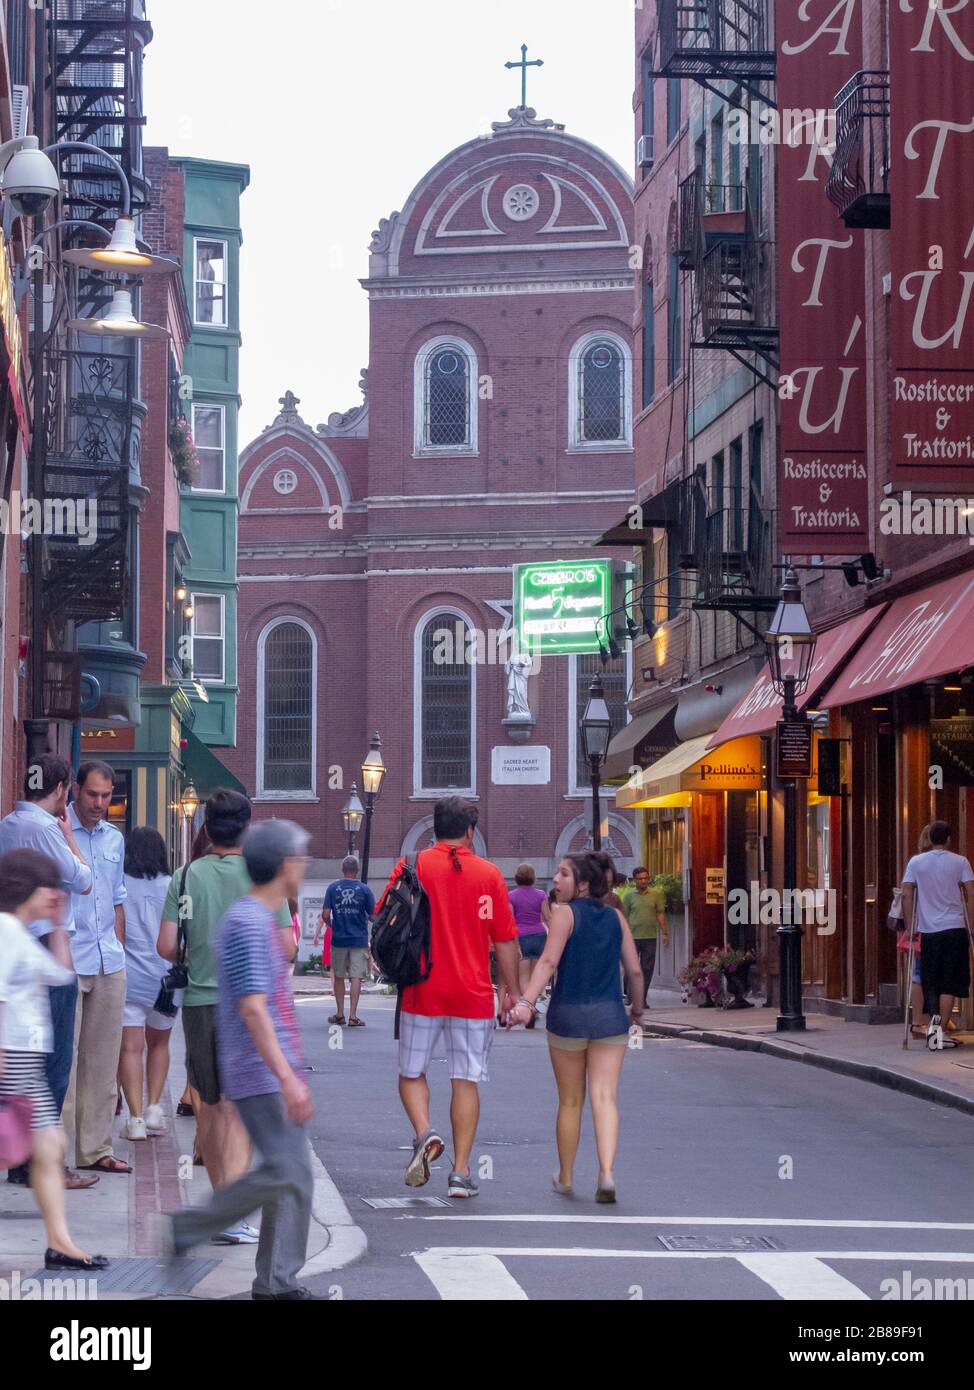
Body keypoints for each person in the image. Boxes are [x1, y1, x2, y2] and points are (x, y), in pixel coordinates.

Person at [169, 820, 316, 1300]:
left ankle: (275, 1282)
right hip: (259, 1072)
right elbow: (253, 1007)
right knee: (285, 1171)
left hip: (267, 1070)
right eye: (300, 857)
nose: (305, 865)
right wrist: (286, 1077)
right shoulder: (252, 924)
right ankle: (193, 1227)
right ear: (283, 865)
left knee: (290, 1174)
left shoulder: (255, 917)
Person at [158, 789, 294, 1245]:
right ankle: (232, 1214)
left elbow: (165, 945)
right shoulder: (263, 876)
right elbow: (289, 946)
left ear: (207, 827)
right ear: (247, 826)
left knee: (210, 1109)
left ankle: (221, 1208)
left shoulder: (185, 875)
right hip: (247, 1003)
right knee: (240, 1110)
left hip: (198, 1003)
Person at [380, 797, 520, 1199]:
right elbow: (506, 941)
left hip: (421, 989)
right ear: (470, 831)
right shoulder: (489, 874)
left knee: (411, 1073)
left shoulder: (411, 866)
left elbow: (384, 918)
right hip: (473, 994)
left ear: (434, 828)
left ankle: (425, 1132)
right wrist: (511, 991)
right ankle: (460, 1173)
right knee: (465, 1079)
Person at [509, 854, 644, 1203]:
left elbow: (549, 961)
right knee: (605, 1098)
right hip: (611, 1017)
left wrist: (525, 1002)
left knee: (570, 1101)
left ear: (582, 883)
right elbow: (635, 970)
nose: (555, 879)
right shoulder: (616, 917)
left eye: (563, 874)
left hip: (568, 1016)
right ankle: (607, 1174)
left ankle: (566, 1176)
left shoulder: (565, 914)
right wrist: (638, 1009)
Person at [0, 849, 108, 1269]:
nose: (56, 896)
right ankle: (60, 1243)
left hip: (23, 1062)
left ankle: (60, 1243)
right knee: (43, 1148)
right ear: (30, 889)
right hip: (12, 1061)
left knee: (49, 1147)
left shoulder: (19, 933)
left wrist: (60, 925)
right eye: (52, 889)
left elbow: (61, 973)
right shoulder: (7, 933)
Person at [0, 754, 96, 1191]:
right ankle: (41, 1164)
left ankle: (22, 1157)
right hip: (46, 943)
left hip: (15, 940)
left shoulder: (7, 825)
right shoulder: (46, 828)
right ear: (62, 790)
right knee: (55, 1059)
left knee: (24, 1059)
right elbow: (82, 880)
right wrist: (71, 840)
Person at [61, 760, 130, 1176]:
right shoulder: (56, 831)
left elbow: (117, 896)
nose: (100, 804)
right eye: (92, 795)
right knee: (66, 1062)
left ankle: (96, 1148)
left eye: (106, 797)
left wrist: (118, 947)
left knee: (103, 1061)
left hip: (108, 959)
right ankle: (62, 1153)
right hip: (70, 958)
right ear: (75, 790)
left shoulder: (114, 839)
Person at [118, 828, 174, 1140]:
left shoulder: (122, 884)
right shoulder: (171, 885)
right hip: (166, 978)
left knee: (130, 1048)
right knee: (160, 1044)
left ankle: (135, 1118)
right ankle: (154, 1108)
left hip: (130, 974)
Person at [901, 820, 974, 1051]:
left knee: (931, 983)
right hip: (955, 929)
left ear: (930, 839)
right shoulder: (960, 862)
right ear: (949, 839)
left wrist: (911, 926)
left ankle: (934, 1036)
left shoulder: (916, 862)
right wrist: (970, 923)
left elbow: (906, 893)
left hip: (929, 930)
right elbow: (971, 892)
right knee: (949, 984)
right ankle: (937, 1033)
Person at [314, 856, 375, 1027]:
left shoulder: (333, 888)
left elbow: (325, 914)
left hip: (339, 938)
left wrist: (330, 924)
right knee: (356, 977)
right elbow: (373, 916)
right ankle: (353, 1016)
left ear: (343, 869)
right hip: (359, 939)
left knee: (339, 975)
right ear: (357, 870)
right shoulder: (364, 889)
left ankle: (340, 1013)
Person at [508, 863, 550, 1029]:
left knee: (523, 978)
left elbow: (510, 920)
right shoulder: (541, 894)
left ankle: (529, 1010)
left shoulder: (511, 895)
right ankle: (533, 1006)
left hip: (521, 936)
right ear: (533, 877)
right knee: (536, 977)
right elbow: (547, 916)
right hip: (539, 935)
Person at [623, 865, 668, 1008]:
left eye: (646, 878)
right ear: (634, 880)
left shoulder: (656, 894)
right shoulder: (629, 896)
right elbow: (623, 916)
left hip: (650, 936)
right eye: (640, 879)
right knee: (632, 968)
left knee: (647, 969)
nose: (644, 881)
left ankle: (641, 999)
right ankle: (630, 996)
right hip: (632, 937)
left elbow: (660, 913)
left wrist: (665, 932)